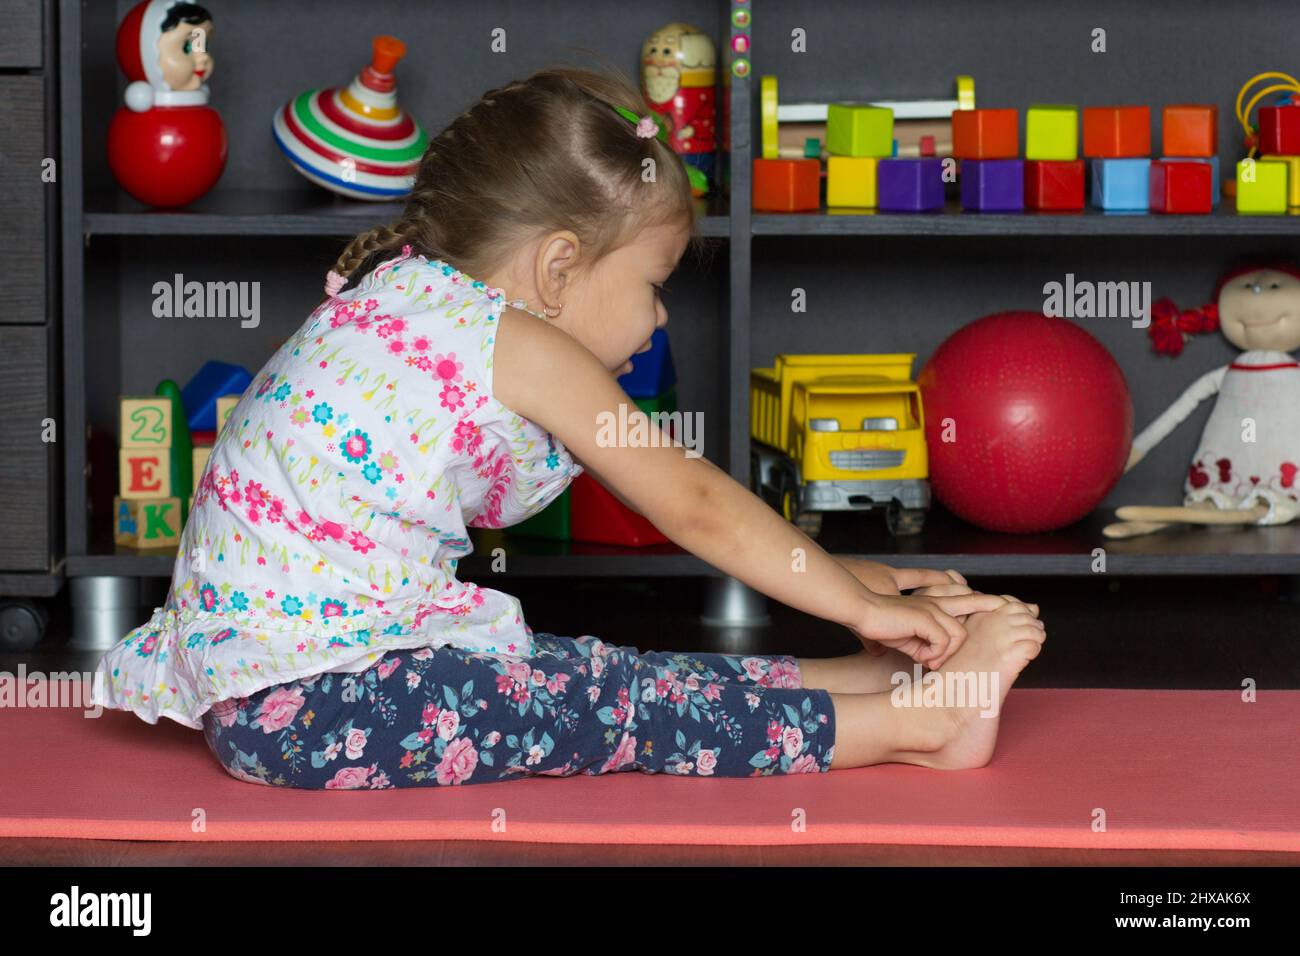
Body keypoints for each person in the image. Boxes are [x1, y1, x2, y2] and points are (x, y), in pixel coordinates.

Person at [92, 66, 1045, 789]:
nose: (662, 319)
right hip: (310, 707)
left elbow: (711, 518)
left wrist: (859, 589)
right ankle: (920, 726)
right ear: (558, 268)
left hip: (291, 686)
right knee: (603, 705)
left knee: (587, 670)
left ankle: (865, 684)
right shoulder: (512, 342)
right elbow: (698, 504)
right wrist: (867, 601)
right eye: (653, 287)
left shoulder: (407, 299)